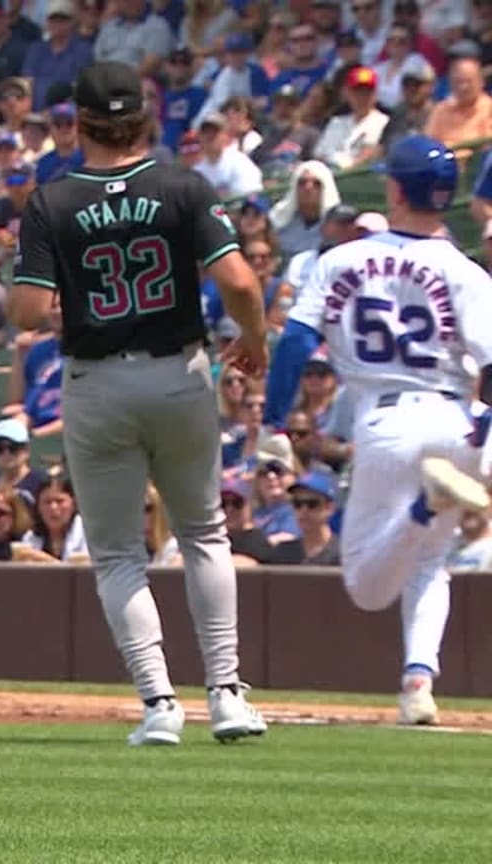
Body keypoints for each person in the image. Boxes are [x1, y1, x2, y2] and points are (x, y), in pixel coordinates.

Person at [9, 62, 269, 746]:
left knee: (120, 553)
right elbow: (239, 280)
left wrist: (86, 305)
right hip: (178, 372)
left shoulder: (52, 201)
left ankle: (159, 704)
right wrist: (255, 337)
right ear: (144, 121)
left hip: (98, 381)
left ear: (81, 123)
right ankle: (226, 694)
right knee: (203, 533)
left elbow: (28, 309)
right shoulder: (183, 185)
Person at [267, 134, 492, 727]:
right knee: (428, 564)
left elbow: (293, 342)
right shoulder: (466, 272)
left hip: (385, 417)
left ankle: (424, 508)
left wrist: (272, 415)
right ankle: (418, 683)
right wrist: (482, 432)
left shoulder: (340, 258)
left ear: (393, 188)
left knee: (368, 587)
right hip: (455, 421)